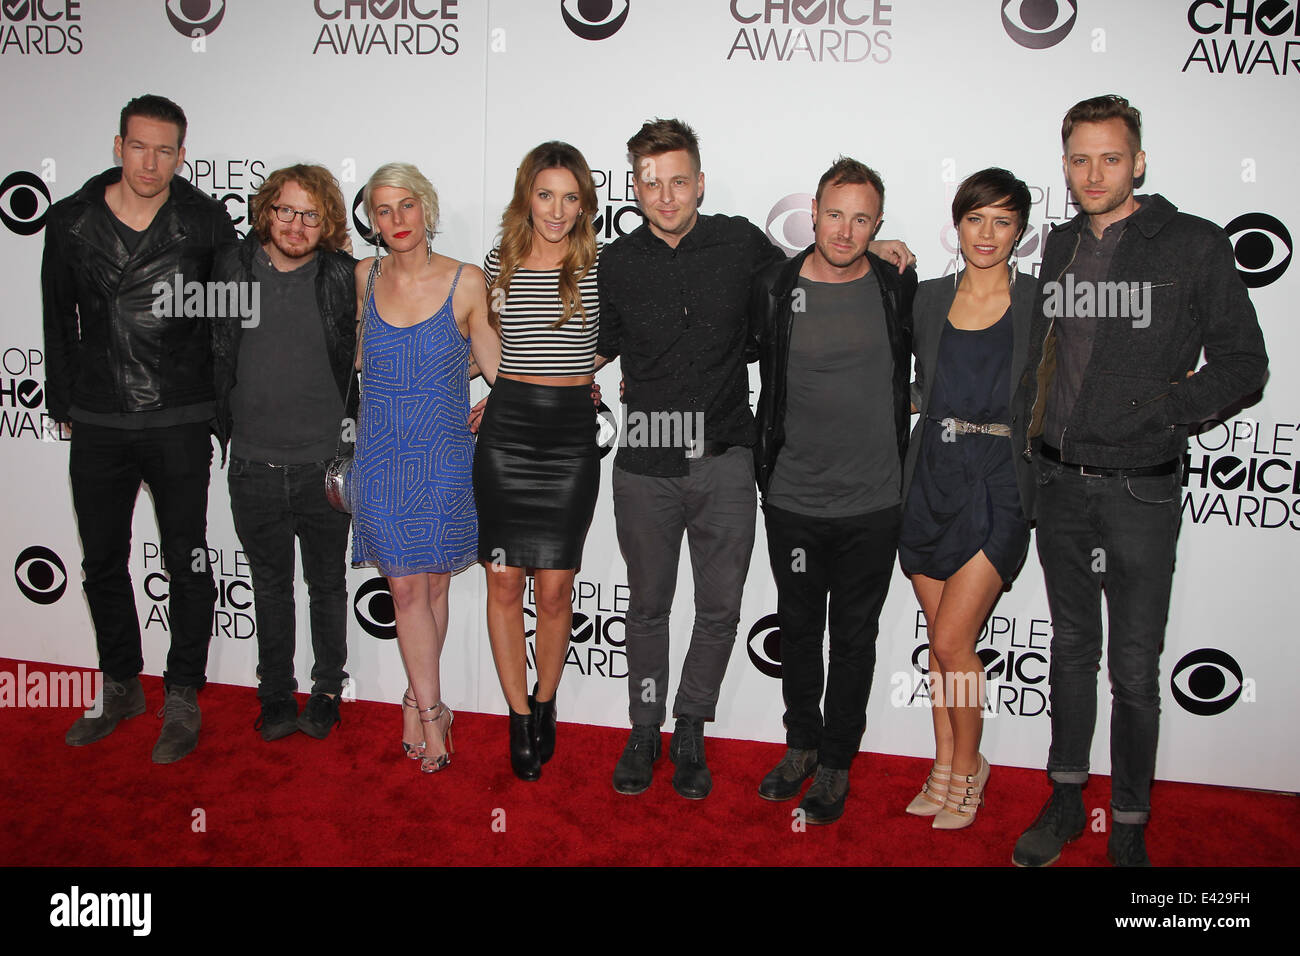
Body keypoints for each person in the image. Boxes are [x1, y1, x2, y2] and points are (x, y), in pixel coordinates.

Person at [598, 119, 913, 800]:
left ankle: (690, 729)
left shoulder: (742, 243)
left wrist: (877, 247)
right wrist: (520, 386)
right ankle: (644, 726)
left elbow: (822, 264)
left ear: (700, 182)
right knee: (648, 608)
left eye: (679, 179)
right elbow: (594, 350)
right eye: (650, 181)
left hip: (727, 461)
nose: (666, 194)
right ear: (635, 186)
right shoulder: (616, 262)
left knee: (719, 612)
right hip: (645, 465)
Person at [1012, 95, 1267, 866]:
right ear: (1066, 166)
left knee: (1133, 669)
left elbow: (1244, 364)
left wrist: (1162, 413)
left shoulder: (1190, 244)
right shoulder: (1057, 244)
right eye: (1081, 159)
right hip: (1059, 484)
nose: (1095, 173)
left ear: (1140, 163)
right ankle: (1063, 801)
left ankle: (1127, 826)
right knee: (1069, 652)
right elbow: (1048, 352)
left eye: (1111, 158)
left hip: (1140, 492)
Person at [44, 94, 236, 764]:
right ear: (117, 145)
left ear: (182, 154)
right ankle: (121, 683)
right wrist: (65, 402)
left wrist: (219, 405)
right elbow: (57, 321)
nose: (150, 162)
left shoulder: (206, 221)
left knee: (186, 560)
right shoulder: (69, 221)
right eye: (138, 146)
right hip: (97, 416)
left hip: (179, 414)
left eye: (165, 149)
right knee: (102, 560)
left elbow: (230, 317)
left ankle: (182, 691)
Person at [751, 157, 917, 824]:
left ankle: (837, 762)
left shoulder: (896, 285)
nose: (845, 231)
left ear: (878, 224)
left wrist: (879, 251)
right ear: (811, 212)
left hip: (873, 505)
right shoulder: (773, 285)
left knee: (853, 638)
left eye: (862, 219)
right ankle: (799, 746)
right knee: (796, 629)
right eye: (834, 213)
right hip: (791, 500)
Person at [897, 168, 1037, 830]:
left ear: (1020, 231)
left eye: (1003, 220)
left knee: (954, 639)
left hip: (999, 479)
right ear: (958, 224)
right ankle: (946, 763)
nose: (987, 233)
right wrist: (880, 248)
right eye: (976, 218)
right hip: (931, 475)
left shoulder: (1042, 301)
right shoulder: (925, 298)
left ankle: (968, 766)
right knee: (939, 643)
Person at [352, 163, 499, 774]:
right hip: (382, 455)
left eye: (406, 206)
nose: (396, 221)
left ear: (426, 208)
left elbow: (496, 365)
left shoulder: (466, 281)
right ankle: (435, 712)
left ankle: (417, 698)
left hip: (443, 456)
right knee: (406, 585)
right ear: (373, 222)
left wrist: (515, 397)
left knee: (434, 584)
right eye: (382, 211)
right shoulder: (362, 277)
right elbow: (356, 355)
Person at [212, 164, 358, 742]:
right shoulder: (229, 268)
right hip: (250, 463)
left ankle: (326, 691)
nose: (296, 224)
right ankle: (274, 692)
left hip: (326, 465)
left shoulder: (344, 277)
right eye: (286, 210)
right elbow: (211, 353)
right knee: (270, 587)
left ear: (326, 224)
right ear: (266, 211)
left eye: (310, 214)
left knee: (326, 585)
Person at [474, 142, 602, 780]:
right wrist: (493, 387)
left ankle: (547, 701)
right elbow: (485, 341)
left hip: (570, 438)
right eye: (546, 194)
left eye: (570, 197)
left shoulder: (601, 266)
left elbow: (615, 340)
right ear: (528, 195)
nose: (557, 210)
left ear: (585, 203)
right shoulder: (498, 263)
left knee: (554, 588)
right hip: (507, 435)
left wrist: (582, 374)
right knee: (503, 580)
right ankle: (518, 715)